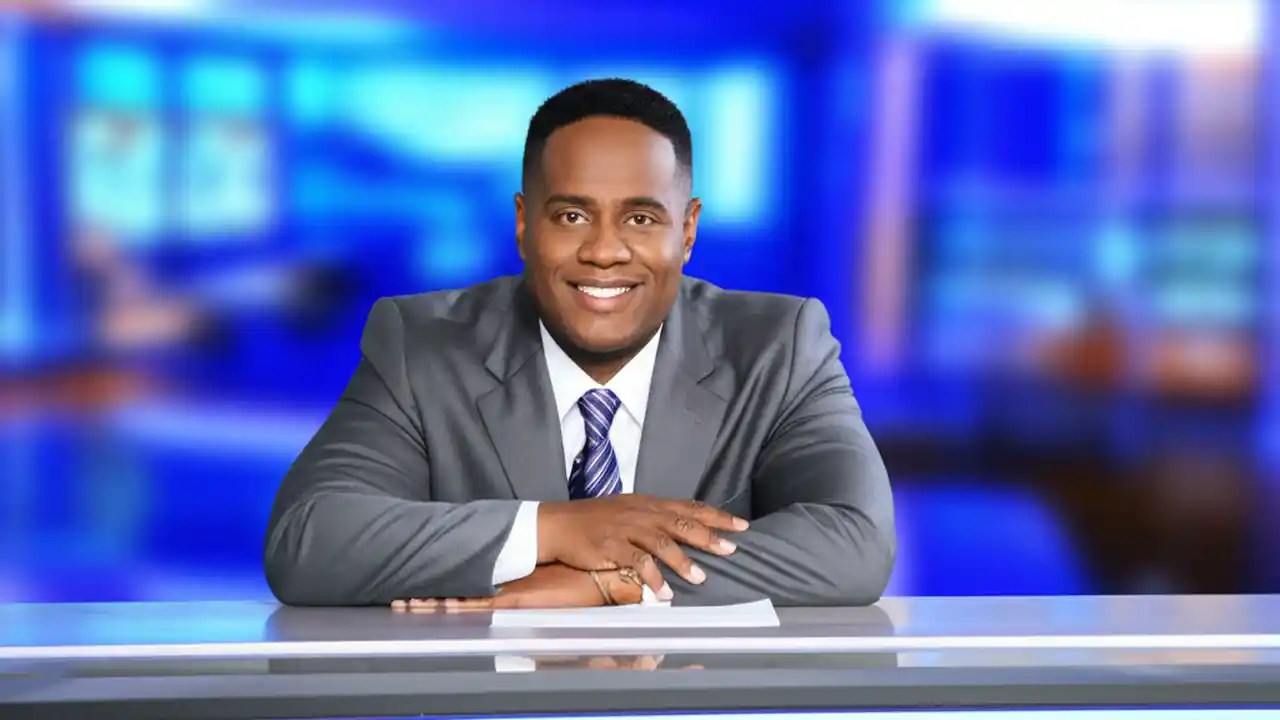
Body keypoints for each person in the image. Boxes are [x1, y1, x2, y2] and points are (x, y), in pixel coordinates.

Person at [263, 78, 895, 608]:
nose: (603, 251)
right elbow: (308, 539)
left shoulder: (778, 346)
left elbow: (855, 542)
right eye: (571, 216)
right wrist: (555, 529)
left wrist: (602, 580)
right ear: (522, 223)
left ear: (689, 229)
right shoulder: (422, 345)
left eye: (641, 218)